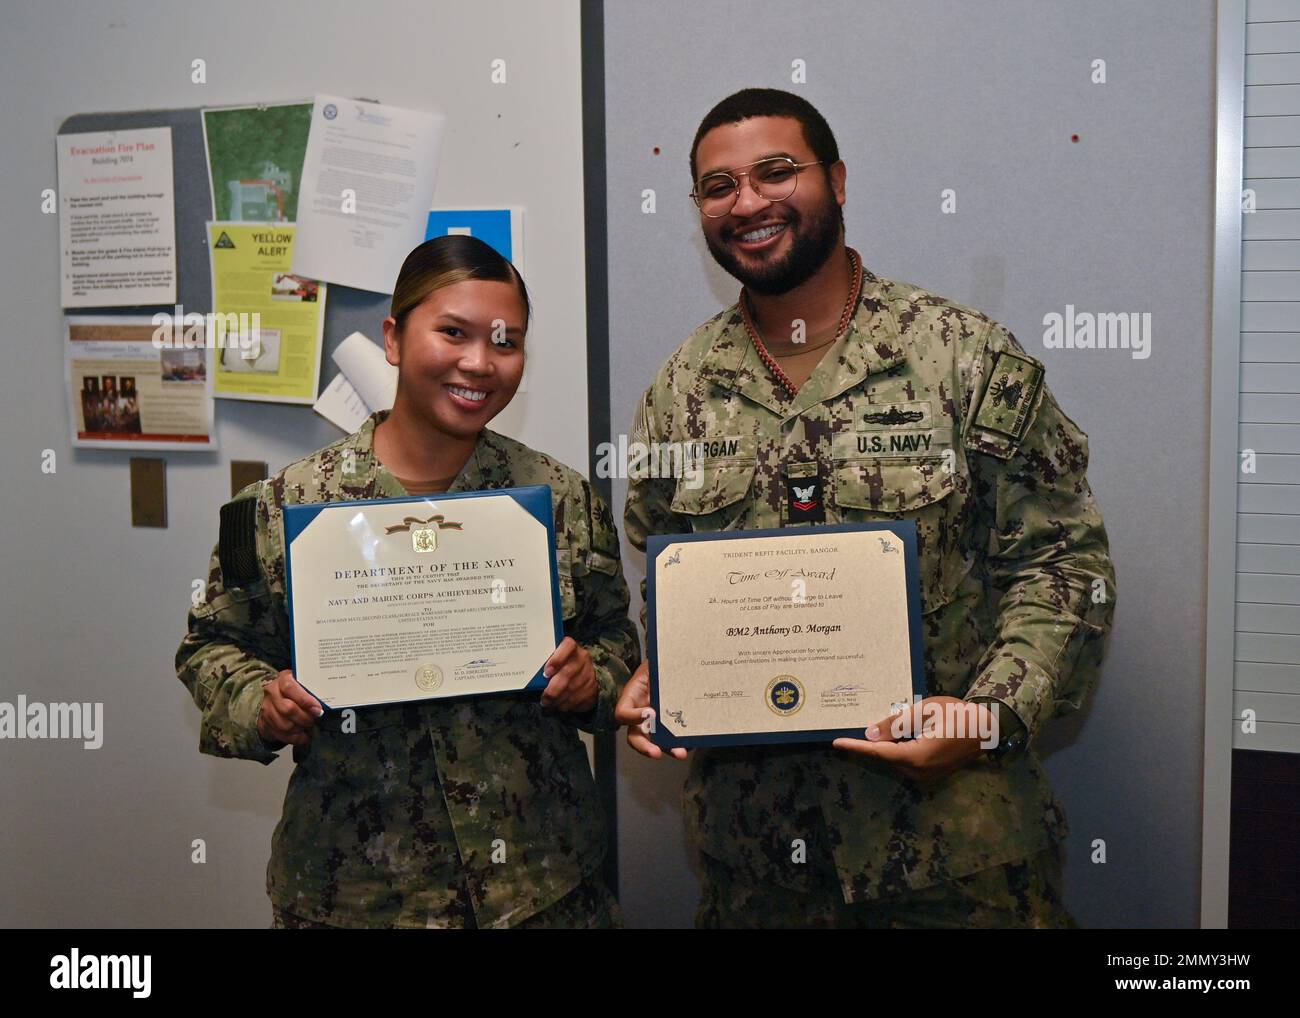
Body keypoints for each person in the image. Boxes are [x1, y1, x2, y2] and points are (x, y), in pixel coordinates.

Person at [617, 88, 1117, 928]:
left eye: (777, 172)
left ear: (838, 180)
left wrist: (987, 717)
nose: (748, 203)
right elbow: (665, 574)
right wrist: (659, 678)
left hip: (956, 858)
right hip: (758, 871)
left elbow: (1064, 565)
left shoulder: (963, 357)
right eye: (717, 187)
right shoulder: (680, 391)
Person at [177, 235, 640, 929]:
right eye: (452, 332)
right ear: (394, 338)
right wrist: (261, 707)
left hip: (541, 889)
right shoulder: (284, 507)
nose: (479, 362)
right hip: (355, 896)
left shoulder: (562, 498)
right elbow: (210, 649)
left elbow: (614, 642)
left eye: (505, 341)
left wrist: (590, 683)